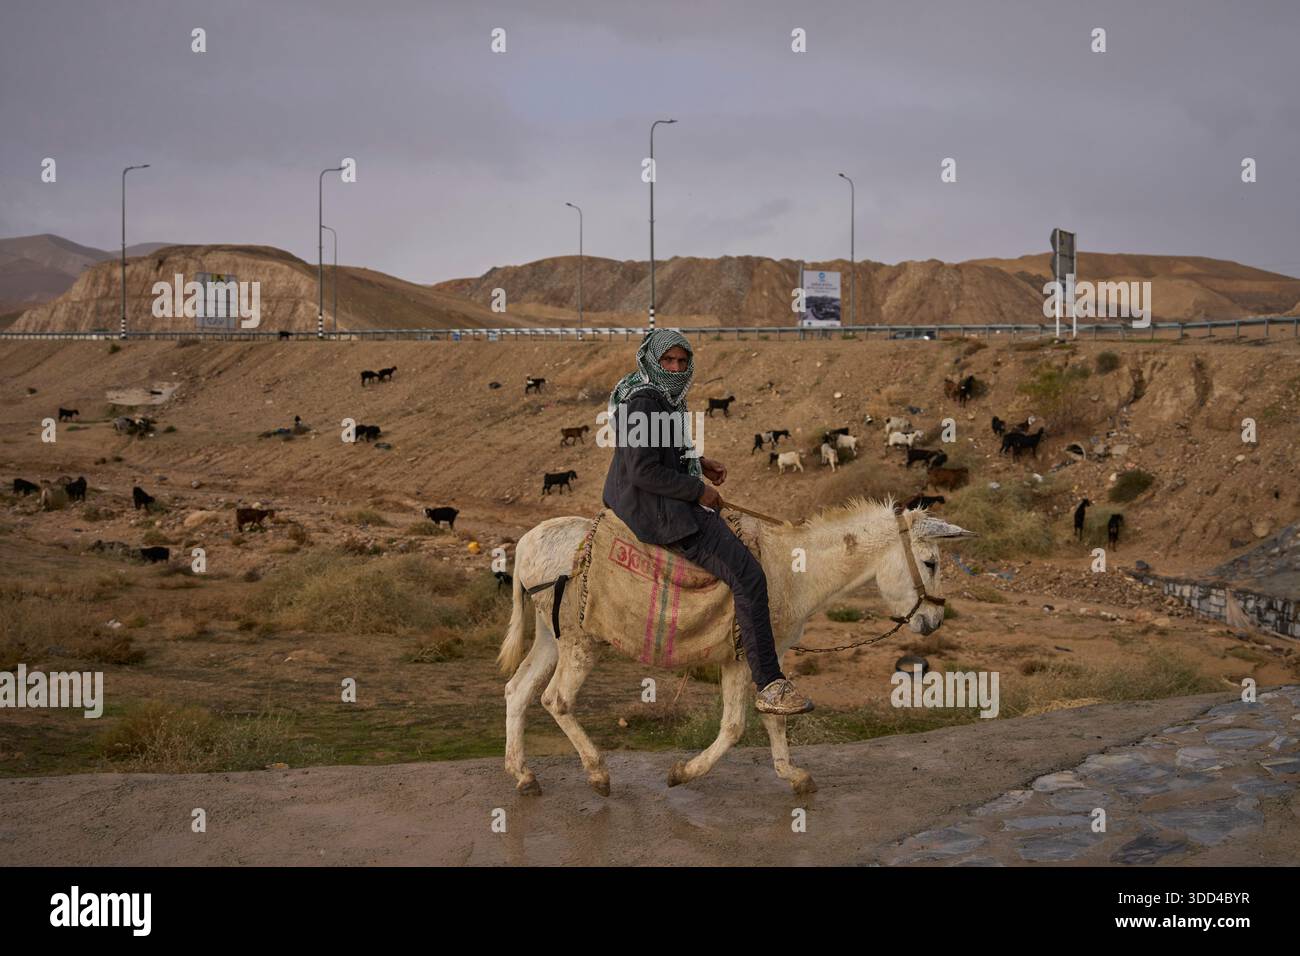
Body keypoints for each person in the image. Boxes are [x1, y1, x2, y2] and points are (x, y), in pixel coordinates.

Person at [601, 329, 813, 715]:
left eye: (682, 362)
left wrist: (700, 462)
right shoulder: (645, 401)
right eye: (668, 361)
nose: (676, 368)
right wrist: (697, 491)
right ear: (652, 360)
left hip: (655, 498)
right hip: (657, 510)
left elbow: (661, 451)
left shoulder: (657, 395)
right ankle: (769, 683)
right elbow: (643, 471)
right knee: (749, 576)